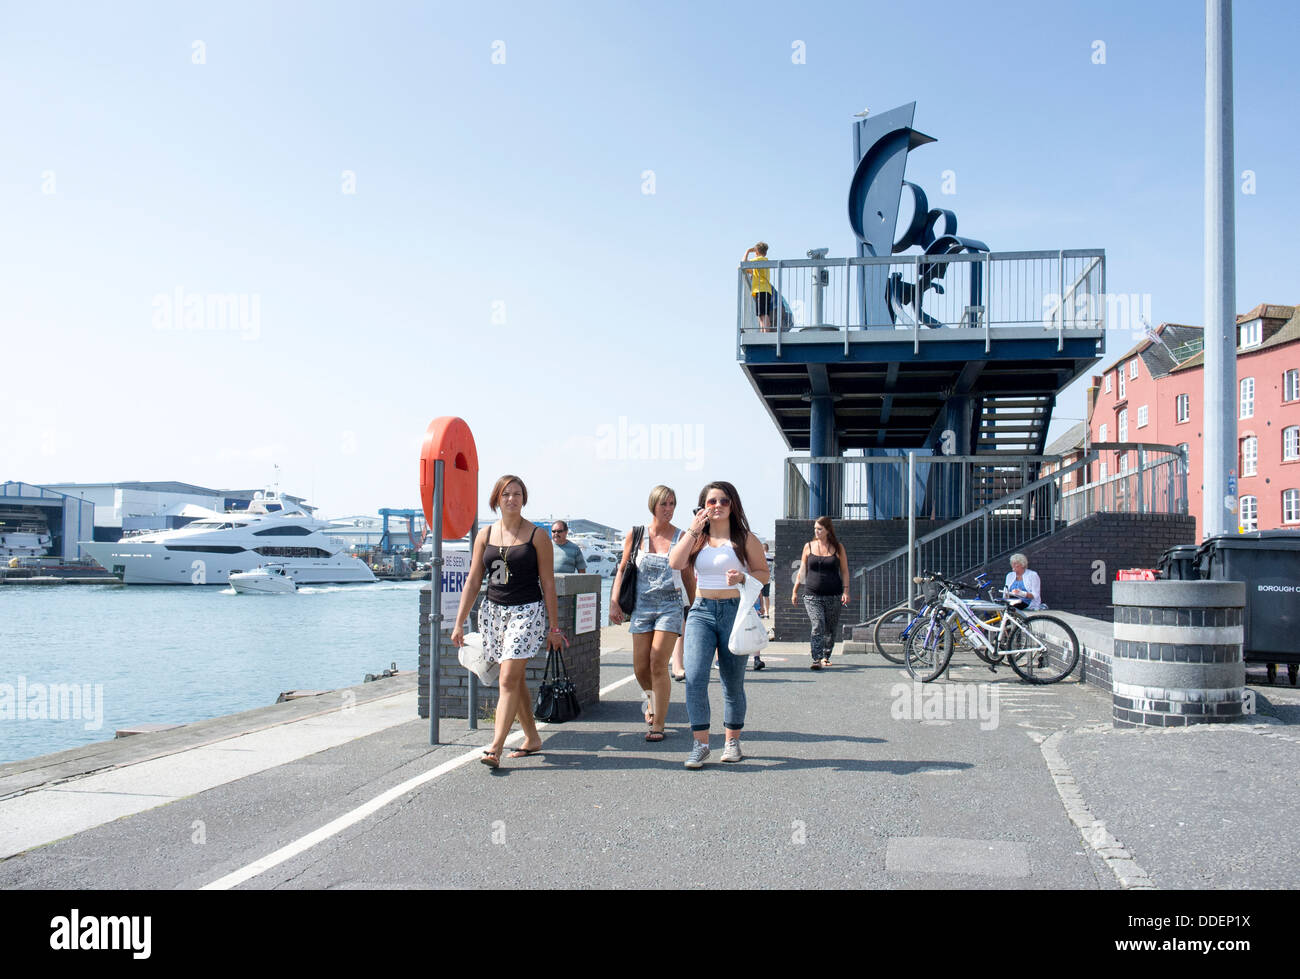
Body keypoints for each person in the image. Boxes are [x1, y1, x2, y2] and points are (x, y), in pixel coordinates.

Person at [451, 474, 567, 769]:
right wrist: (459, 622)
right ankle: (532, 737)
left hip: (527, 612)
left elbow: (549, 583)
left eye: (517, 494)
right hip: (492, 613)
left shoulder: (537, 536)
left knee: (506, 678)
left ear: (523, 499)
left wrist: (554, 627)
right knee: (513, 679)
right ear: (496, 500)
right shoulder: (485, 535)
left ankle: (495, 748)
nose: (511, 499)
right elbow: (474, 580)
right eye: (506, 495)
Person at [669, 480, 770, 769]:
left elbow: (763, 572)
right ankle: (700, 745)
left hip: (734, 611)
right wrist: (693, 528)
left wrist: (742, 578)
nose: (717, 506)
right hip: (701, 610)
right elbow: (675, 562)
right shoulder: (697, 537)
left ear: (733, 504)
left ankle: (732, 742)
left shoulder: (744, 538)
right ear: (703, 506)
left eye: (723, 501)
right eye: (711, 501)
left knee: (732, 681)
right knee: (695, 677)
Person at [609, 486, 692, 741]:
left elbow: (687, 573)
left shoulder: (682, 536)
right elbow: (622, 569)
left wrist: (696, 605)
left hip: (670, 604)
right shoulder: (636, 535)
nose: (668, 509)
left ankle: (658, 722)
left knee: (657, 661)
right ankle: (650, 698)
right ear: (653, 506)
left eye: (672, 504)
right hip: (641, 606)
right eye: (663, 504)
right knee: (640, 666)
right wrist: (614, 601)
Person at [791, 516, 850, 669]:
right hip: (812, 594)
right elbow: (802, 570)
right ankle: (816, 658)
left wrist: (846, 590)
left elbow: (844, 571)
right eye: (815, 529)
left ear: (828, 530)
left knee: (830, 627)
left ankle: (826, 655)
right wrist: (795, 590)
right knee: (817, 625)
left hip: (834, 594)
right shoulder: (808, 546)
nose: (816, 531)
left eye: (819, 529)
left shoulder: (838, 547)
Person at [742, 241, 774, 331]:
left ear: (756, 252)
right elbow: (751, 271)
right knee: (763, 313)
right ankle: (764, 331)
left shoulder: (759, 259)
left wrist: (748, 251)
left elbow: (743, 262)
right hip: (766, 289)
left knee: (762, 314)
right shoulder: (764, 261)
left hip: (761, 289)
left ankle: (765, 333)